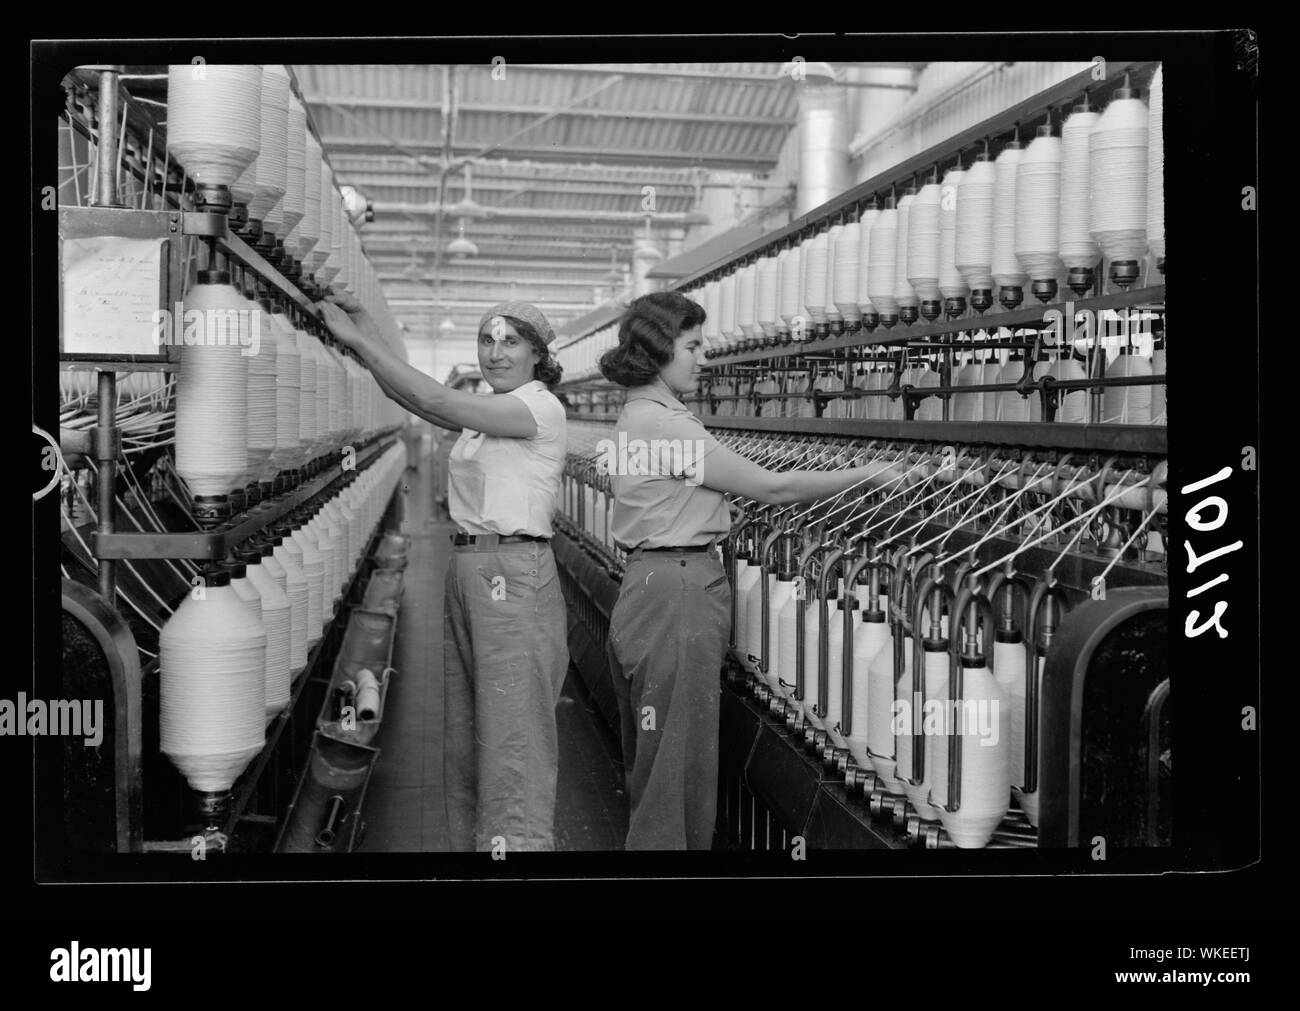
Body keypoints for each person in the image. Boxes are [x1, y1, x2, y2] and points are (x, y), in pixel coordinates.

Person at [598, 291, 889, 850]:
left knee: (656, 759)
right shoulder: (668, 427)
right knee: (675, 769)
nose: (702, 357)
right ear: (659, 350)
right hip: (678, 592)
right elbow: (772, 487)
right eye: (692, 345)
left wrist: (713, 506)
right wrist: (868, 475)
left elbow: (670, 494)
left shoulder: (637, 417)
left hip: (649, 583)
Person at [316, 296, 569, 853]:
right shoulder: (488, 411)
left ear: (537, 354)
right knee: (468, 731)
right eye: (486, 340)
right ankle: (478, 847)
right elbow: (405, 394)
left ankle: (520, 850)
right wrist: (361, 333)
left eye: (510, 341)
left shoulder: (537, 408)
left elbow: (431, 396)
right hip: (471, 570)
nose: (495, 352)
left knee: (512, 733)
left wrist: (361, 341)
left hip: (514, 572)